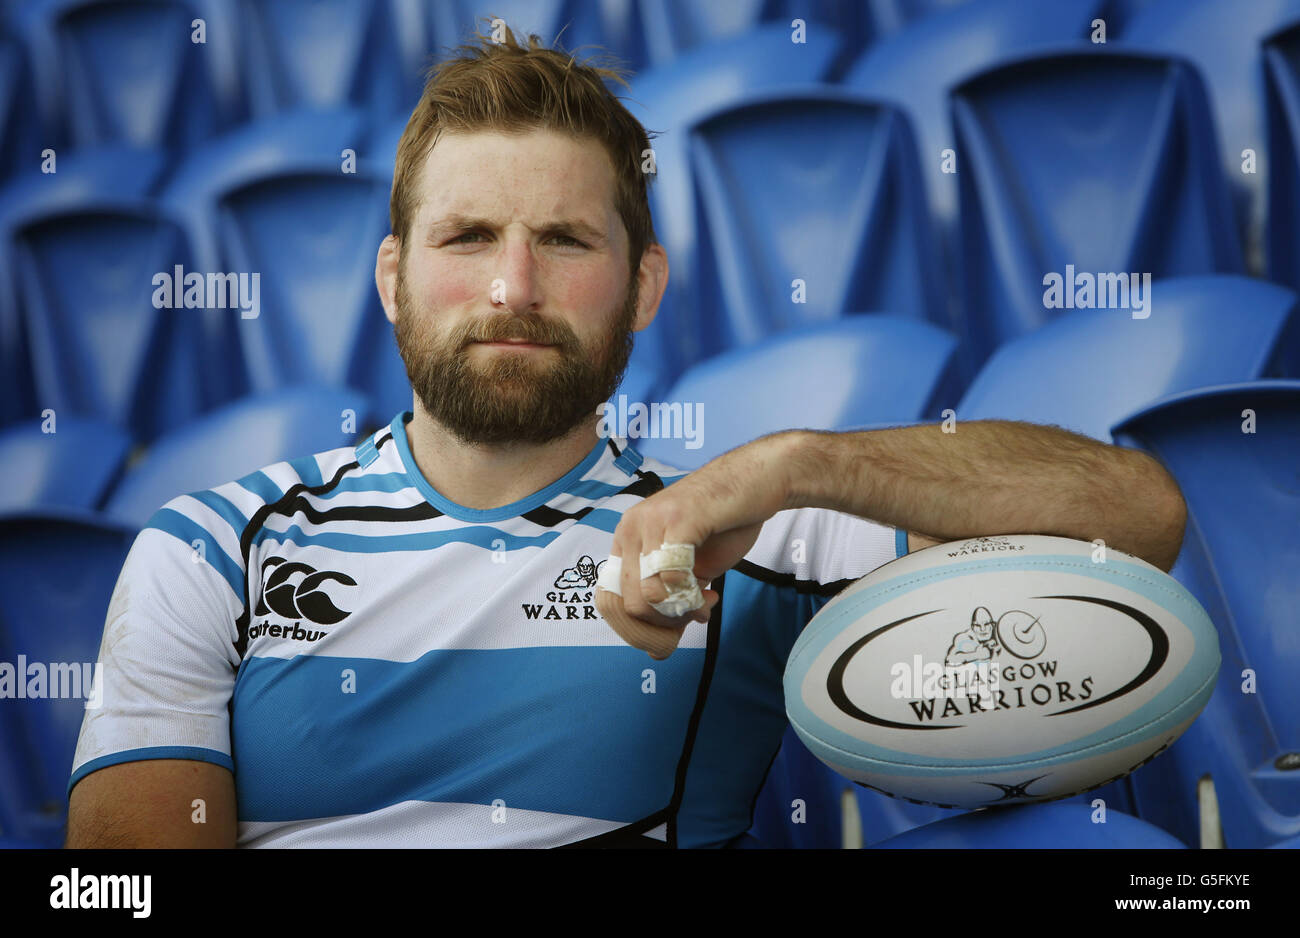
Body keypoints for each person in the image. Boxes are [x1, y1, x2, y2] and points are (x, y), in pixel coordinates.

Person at [64, 26, 1186, 848]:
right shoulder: (208, 546)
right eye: (465, 237)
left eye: (563, 238)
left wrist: (803, 463)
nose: (512, 286)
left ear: (643, 287)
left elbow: (1139, 518)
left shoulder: (743, 534)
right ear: (392, 281)